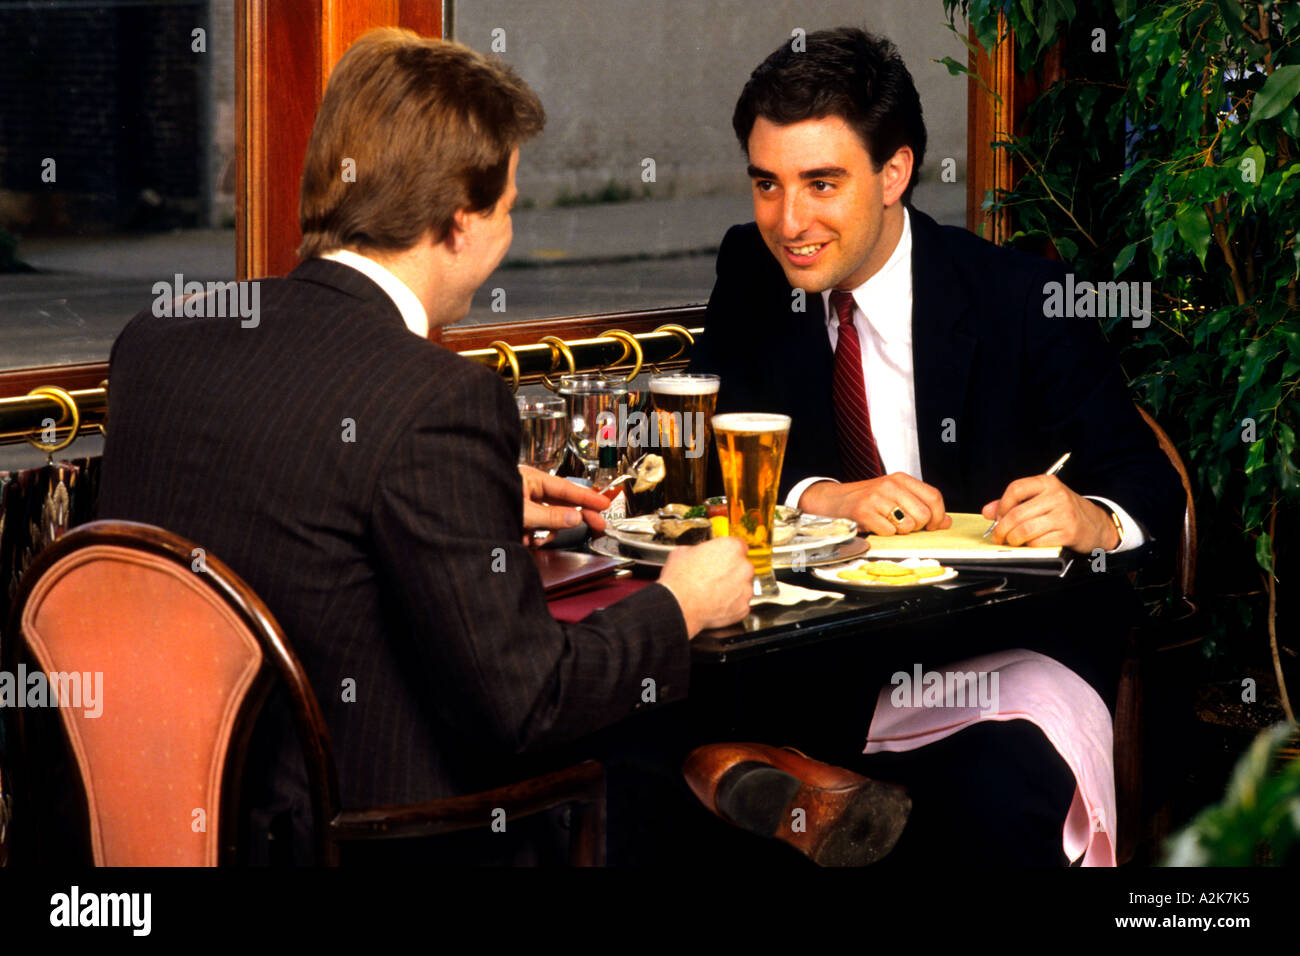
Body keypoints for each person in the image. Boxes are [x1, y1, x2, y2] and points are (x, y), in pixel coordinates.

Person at [97, 28, 753, 863]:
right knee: (652, 766)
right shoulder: (436, 401)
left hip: (166, 817)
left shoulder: (161, 336)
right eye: (508, 209)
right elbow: (529, 702)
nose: (508, 231)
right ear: (457, 224)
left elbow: (281, 497)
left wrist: (468, 494)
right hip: (371, 835)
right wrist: (683, 602)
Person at [687, 27, 1186, 865]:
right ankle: (796, 771)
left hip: (1005, 657)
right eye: (766, 185)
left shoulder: (1024, 300)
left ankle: (800, 776)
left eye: (821, 183)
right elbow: (704, 449)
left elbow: (1146, 485)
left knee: (987, 802)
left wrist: (1090, 519)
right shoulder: (751, 269)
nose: (788, 221)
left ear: (895, 174)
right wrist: (822, 495)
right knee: (639, 746)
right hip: (821, 659)